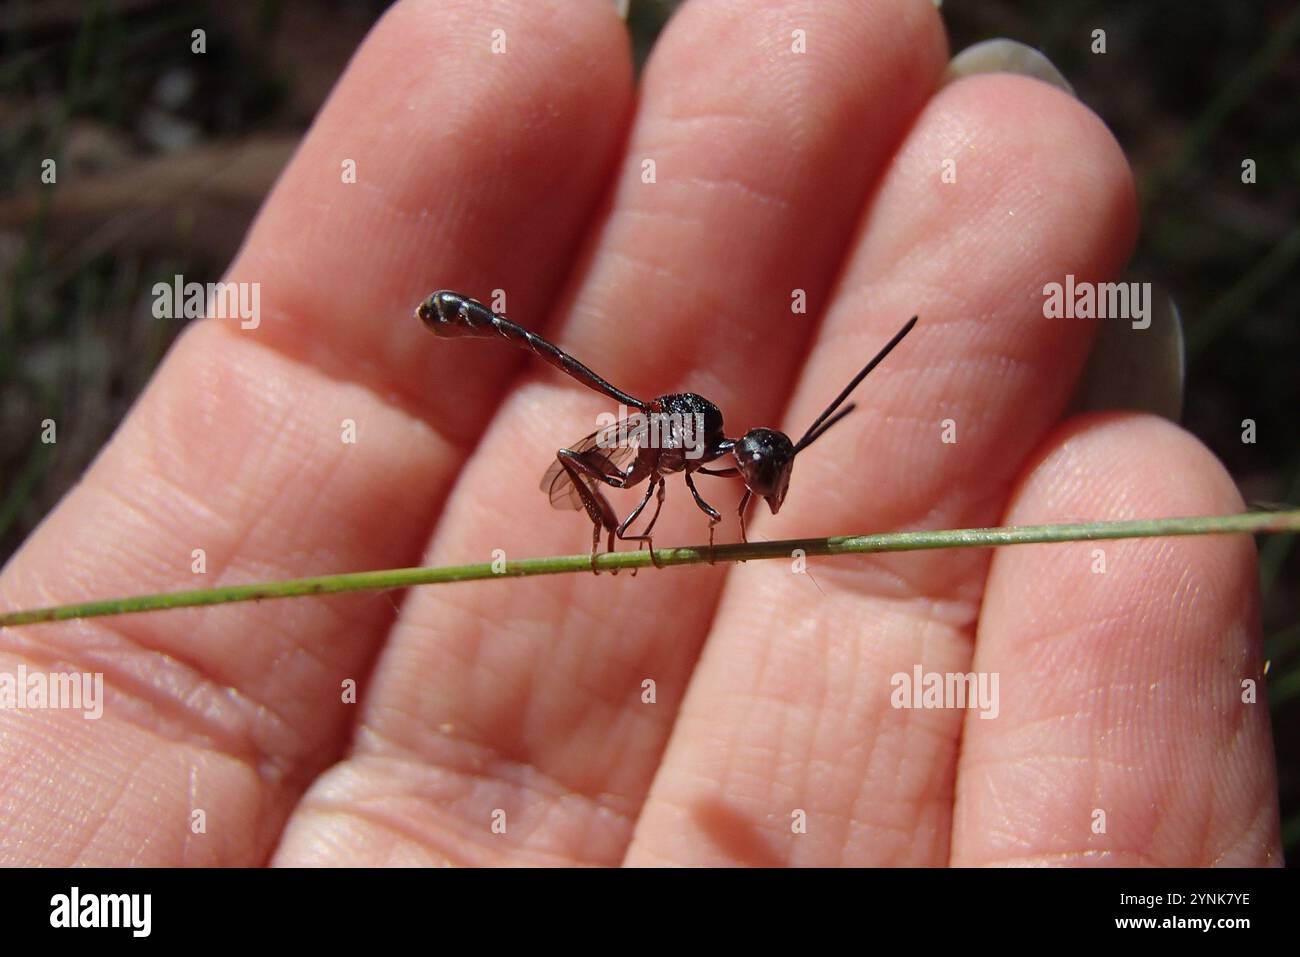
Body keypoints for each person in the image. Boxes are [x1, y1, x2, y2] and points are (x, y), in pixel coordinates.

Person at [0, 0, 1279, 866]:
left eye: (759, 473)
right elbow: (650, 469)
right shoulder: (681, 450)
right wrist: (670, 498)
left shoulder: (719, 458)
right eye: (758, 471)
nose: (757, 484)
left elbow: (694, 472)